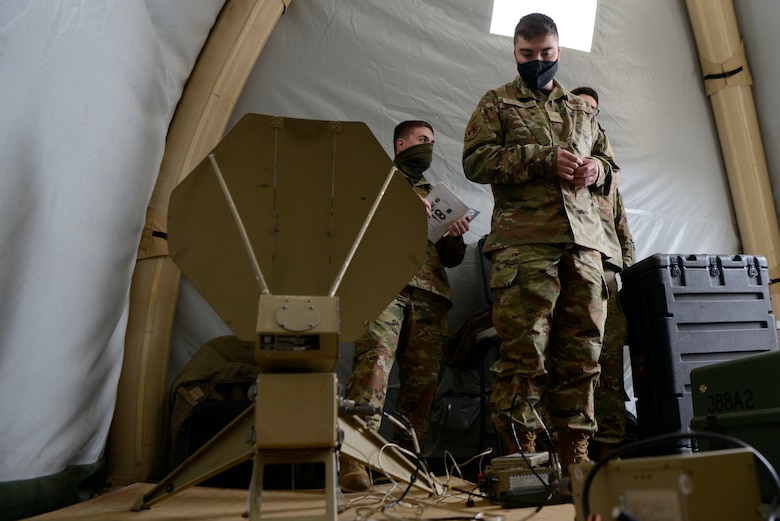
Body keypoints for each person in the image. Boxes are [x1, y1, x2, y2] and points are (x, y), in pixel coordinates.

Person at [461, 13, 619, 474]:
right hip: (524, 247)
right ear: (515, 52)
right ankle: (521, 457)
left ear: (559, 51)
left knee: (583, 353)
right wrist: (542, 159)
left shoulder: (582, 110)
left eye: (546, 54)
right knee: (524, 355)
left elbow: (609, 162)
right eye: (528, 55)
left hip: (583, 246)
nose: (538, 62)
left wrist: (596, 171)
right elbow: (475, 161)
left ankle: (576, 456)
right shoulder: (496, 104)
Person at [340, 120, 471, 492]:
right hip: (383, 289)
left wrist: (454, 233)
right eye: (422, 140)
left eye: (432, 141)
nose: (428, 146)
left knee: (423, 385)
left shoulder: (436, 193)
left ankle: (405, 465)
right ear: (401, 143)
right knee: (372, 369)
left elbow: (451, 259)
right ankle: (355, 460)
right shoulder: (375, 182)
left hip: (430, 296)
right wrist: (399, 204)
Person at [570, 86, 636, 459]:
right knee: (568, 362)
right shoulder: (557, 171)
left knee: (607, 365)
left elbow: (624, 234)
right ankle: (566, 449)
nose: (586, 113)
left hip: (606, 277)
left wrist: (629, 279)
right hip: (568, 273)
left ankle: (610, 447)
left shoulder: (608, 179)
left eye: (592, 109)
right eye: (579, 108)